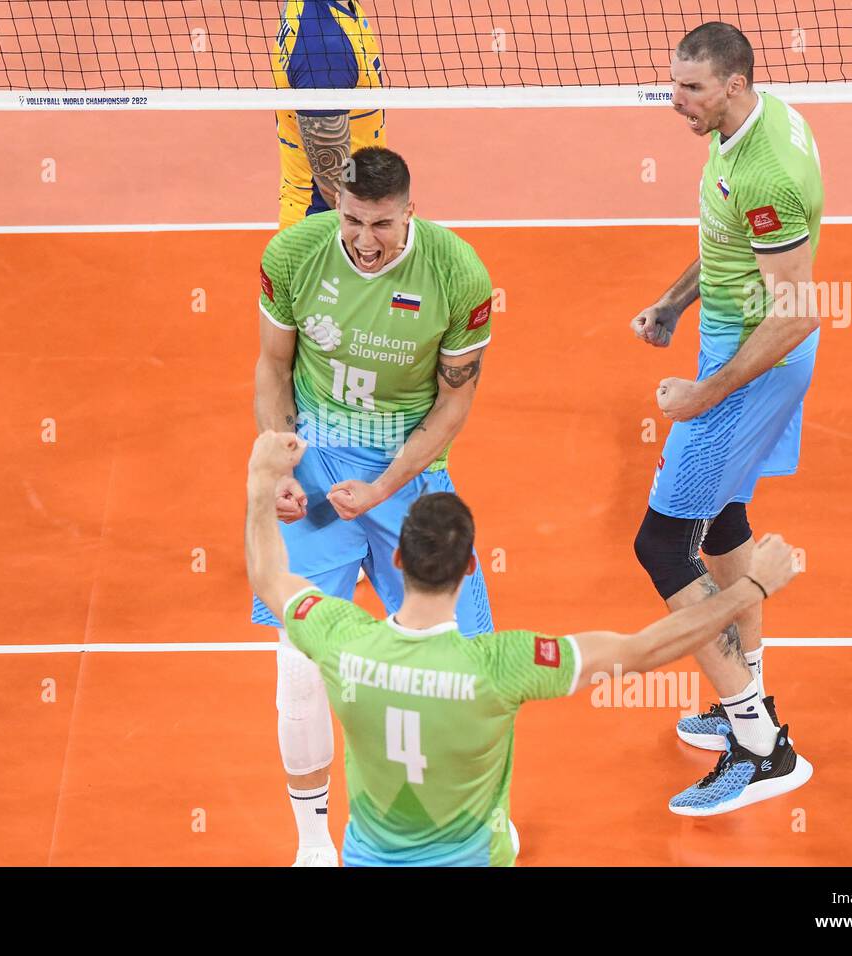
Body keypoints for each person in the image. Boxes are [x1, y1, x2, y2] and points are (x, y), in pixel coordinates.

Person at [245, 431, 802, 864]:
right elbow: (647, 648)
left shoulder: (345, 642)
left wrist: (261, 478)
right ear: (468, 568)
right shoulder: (503, 665)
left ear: (394, 561)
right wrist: (752, 588)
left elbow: (269, 574)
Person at [252, 146, 496, 864]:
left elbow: (453, 407)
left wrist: (385, 488)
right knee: (298, 661)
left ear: (409, 212)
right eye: (353, 220)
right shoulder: (295, 253)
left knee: (463, 666)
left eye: (382, 224)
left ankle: (478, 819)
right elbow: (273, 363)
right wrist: (282, 460)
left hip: (408, 475)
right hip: (317, 463)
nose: (364, 239)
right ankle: (313, 845)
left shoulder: (458, 274)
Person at [629, 21, 822, 813]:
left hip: (751, 368)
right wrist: (675, 303)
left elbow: (799, 310)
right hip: (732, 348)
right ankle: (749, 701)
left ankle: (761, 748)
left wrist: (705, 394)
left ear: (734, 84)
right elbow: (727, 240)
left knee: (664, 544)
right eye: (674, 85)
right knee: (727, 521)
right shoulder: (743, 126)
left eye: (692, 89)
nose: (677, 102)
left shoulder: (767, 170)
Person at [272, 1, 386, 229]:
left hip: (348, 214)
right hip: (326, 228)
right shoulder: (324, 45)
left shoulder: (336, 9)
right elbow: (332, 177)